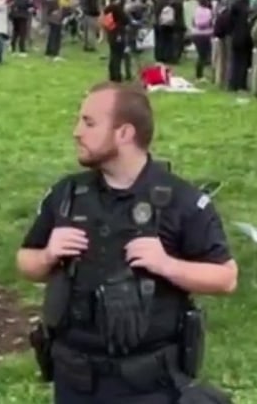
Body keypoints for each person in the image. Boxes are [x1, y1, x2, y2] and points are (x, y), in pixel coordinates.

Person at [17, 82, 236, 403]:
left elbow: (226, 278)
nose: (77, 132)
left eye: (89, 123)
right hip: (73, 382)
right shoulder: (67, 195)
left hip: (147, 388)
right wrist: (48, 254)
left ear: (124, 133)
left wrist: (167, 265)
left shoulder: (181, 201)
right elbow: (25, 262)